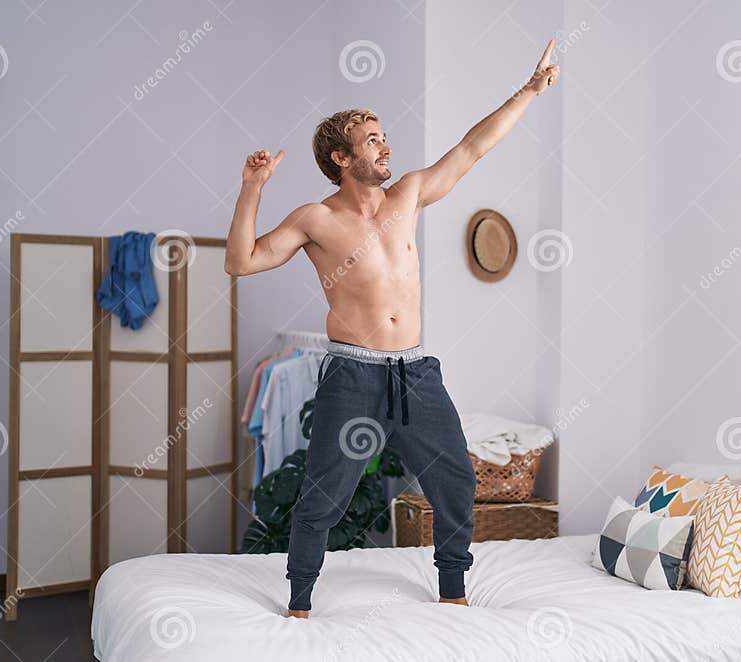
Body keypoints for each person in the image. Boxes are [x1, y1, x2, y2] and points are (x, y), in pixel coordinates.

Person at [224, 38, 560, 619]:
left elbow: (473, 147)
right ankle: (300, 602)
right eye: (373, 139)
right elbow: (242, 261)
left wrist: (528, 91)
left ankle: (453, 591)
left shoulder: (406, 194)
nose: (386, 146)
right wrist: (252, 188)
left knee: (454, 479)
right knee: (325, 495)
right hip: (353, 376)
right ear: (341, 158)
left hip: (416, 374)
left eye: (383, 137)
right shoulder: (316, 218)